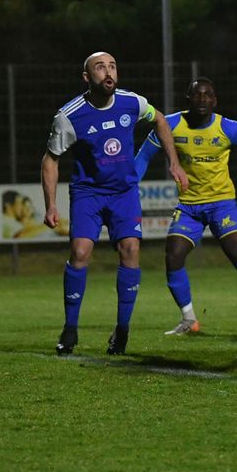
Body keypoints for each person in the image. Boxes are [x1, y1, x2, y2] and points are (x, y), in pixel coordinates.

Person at [42, 51, 188, 357]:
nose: (108, 72)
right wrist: (51, 205)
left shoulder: (131, 102)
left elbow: (160, 120)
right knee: (80, 252)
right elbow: (50, 160)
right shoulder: (70, 115)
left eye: (112, 66)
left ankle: (122, 330)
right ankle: (70, 328)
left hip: (124, 193)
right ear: (87, 77)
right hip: (88, 193)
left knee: (131, 250)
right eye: (100, 68)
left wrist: (173, 162)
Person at [133, 77, 237, 336]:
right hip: (189, 207)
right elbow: (142, 158)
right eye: (197, 94)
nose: (203, 99)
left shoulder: (228, 128)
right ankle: (189, 320)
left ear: (215, 101)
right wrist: (128, 191)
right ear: (187, 99)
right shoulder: (169, 125)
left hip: (222, 204)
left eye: (208, 95)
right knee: (173, 256)